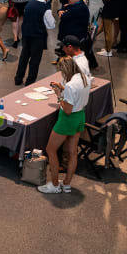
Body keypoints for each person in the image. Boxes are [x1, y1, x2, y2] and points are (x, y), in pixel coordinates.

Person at [37, 57, 91, 194]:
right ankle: (66, 184)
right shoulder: (85, 78)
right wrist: (63, 88)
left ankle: (54, 185)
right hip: (80, 116)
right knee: (72, 152)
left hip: (67, 119)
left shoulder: (71, 86)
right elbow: (76, 95)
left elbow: (67, 109)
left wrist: (59, 95)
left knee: (51, 150)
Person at [14, 0, 55, 86]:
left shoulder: (29, 4)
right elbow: (51, 25)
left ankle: (18, 78)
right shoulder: (46, 8)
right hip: (38, 36)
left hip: (27, 34)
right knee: (35, 60)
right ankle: (30, 82)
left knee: (24, 57)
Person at [58, 0, 98, 71]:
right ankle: (94, 65)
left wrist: (63, 12)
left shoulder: (78, 8)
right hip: (80, 34)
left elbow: (64, 17)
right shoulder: (78, 5)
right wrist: (62, 10)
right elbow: (63, 9)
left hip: (78, 34)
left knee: (73, 47)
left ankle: (67, 63)